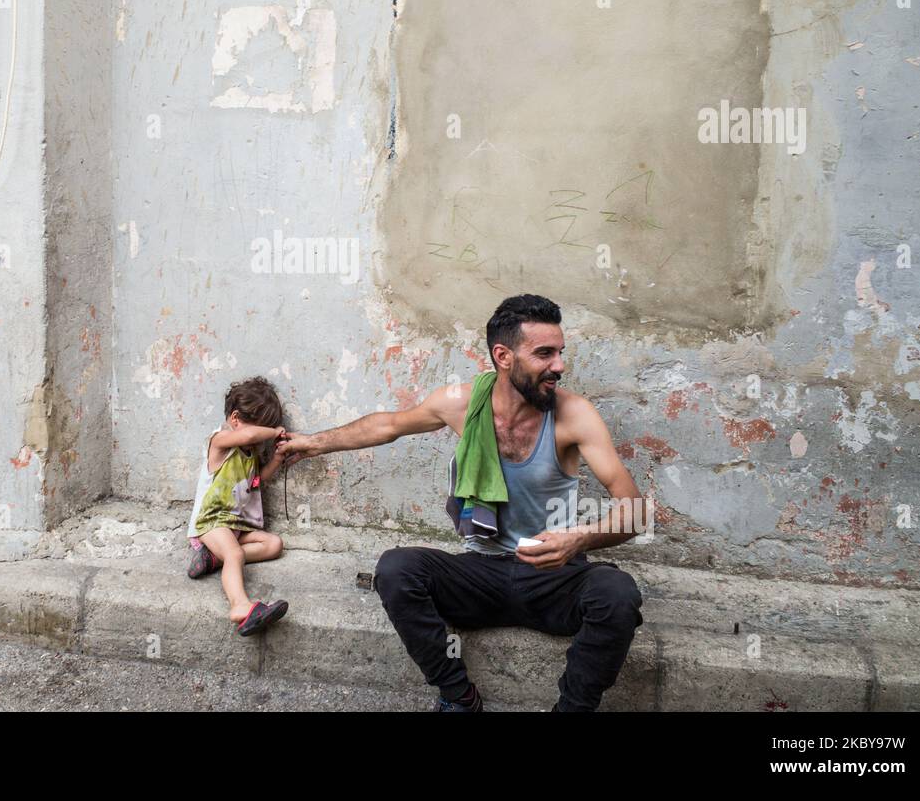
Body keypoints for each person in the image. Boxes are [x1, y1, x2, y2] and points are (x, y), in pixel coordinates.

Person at [277, 294, 647, 711]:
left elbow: (634, 509)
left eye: (560, 353)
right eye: (544, 353)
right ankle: (459, 697)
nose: (558, 365)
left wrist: (576, 541)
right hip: (481, 573)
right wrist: (312, 443)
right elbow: (389, 425)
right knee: (398, 569)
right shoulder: (461, 403)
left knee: (616, 593)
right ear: (503, 356)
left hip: (553, 577)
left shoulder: (574, 415)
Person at [186, 376, 290, 636]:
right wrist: (276, 431)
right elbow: (253, 434)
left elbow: (258, 481)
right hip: (211, 523)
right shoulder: (219, 442)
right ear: (235, 419)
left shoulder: (249, 453)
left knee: (274, 545)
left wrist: (277, 458)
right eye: (259, 433)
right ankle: (240, 606)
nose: (259, 442)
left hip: (236, 525)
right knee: (234, 554)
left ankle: (213, 558)